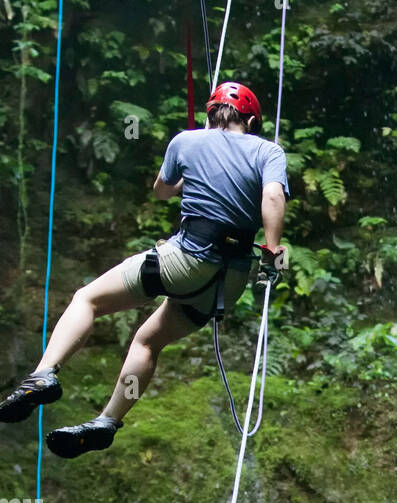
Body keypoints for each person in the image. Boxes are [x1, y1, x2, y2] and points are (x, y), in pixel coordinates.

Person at [0, 81, 289, 458]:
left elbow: (162, 191)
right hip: (226, 282)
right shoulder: (269, 151)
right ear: (250, 120)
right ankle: (107, 421)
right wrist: (272, 251)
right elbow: (271, 195)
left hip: (184, 260)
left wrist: (190, 172)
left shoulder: (186, 141)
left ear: (209, 115)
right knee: (149, 341)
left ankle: (44, 374)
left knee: (87, 300)